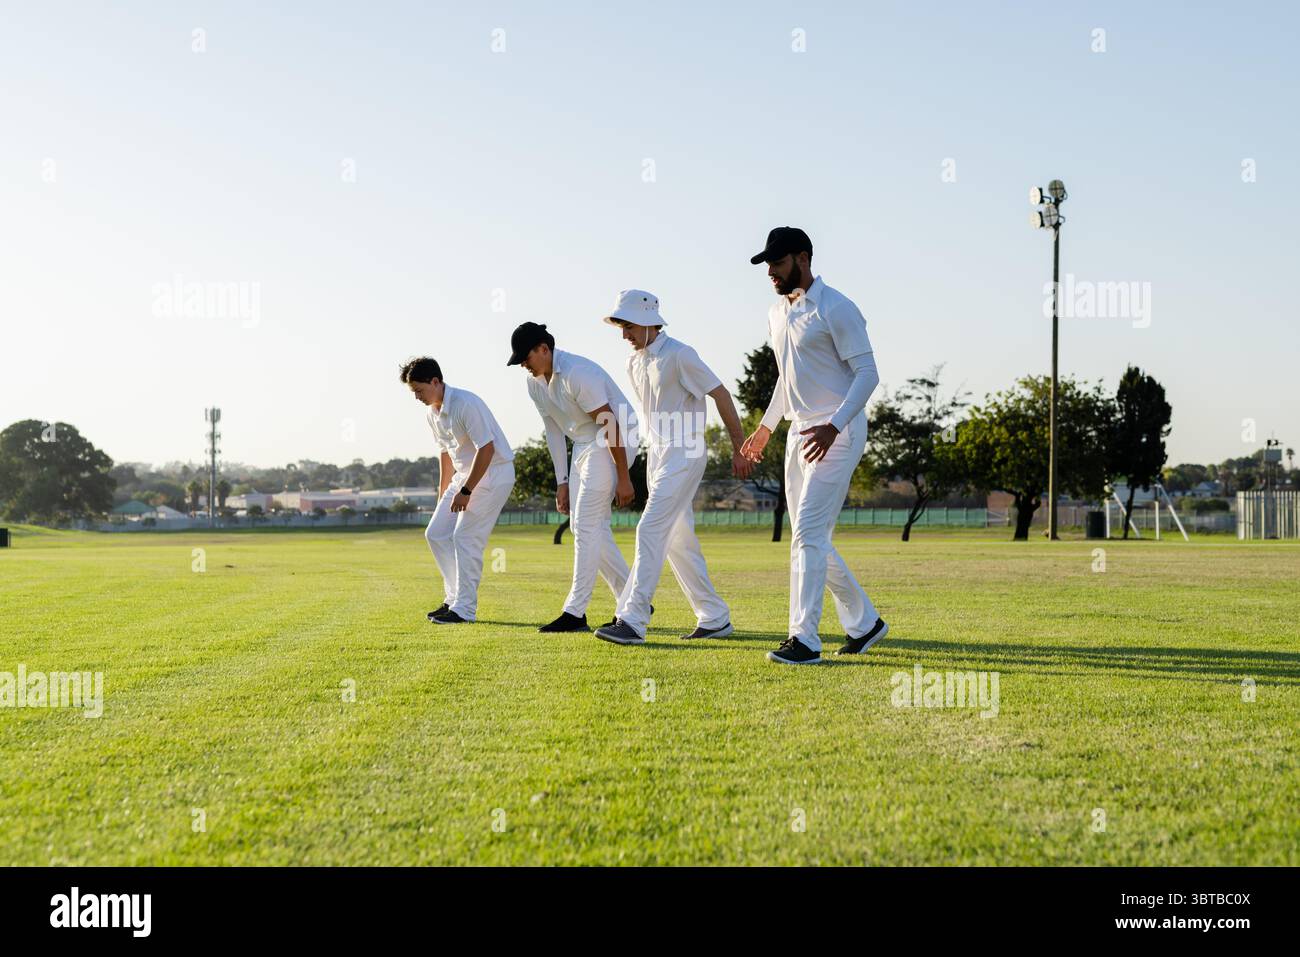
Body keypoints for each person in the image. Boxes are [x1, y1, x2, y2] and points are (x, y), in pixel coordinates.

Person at [740, 227, 889, 664]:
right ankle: (865, 623)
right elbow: (788, 379)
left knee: (806, 533)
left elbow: (868, 375)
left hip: (837, 432)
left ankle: (803, 640)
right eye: (767, 264)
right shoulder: (776, 314)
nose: (770, 271)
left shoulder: (836, 307)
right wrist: (766, 427)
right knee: (811, 537)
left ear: (803, 259)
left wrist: (835, 426)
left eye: (778, 263)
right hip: (800, 431)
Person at [593, 290, 751, 645]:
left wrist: (739, 446)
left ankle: (631, 619)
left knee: (649, 530)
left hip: (686, 453)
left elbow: (721, 394)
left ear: (650, 323)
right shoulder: (634, 361)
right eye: (621, 326)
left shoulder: (681, 354)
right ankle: (714, 616)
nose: (624, 334)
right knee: (679, 540)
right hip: (658, 454)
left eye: (629, 326)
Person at [507, 322, 638, 632]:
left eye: (525, 357)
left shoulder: (579, 373)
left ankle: (575, 613)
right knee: (586, 525)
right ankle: (634, 601)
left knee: (587, 526)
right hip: (583, 443)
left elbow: (610, 424)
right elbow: (553, 431)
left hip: (616, 436)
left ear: (544, 349)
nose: (523, 365)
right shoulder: (535, 383)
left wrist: (623, 476)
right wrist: (561, 481)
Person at [400, 356, 515, 625]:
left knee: (465, 537)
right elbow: (446, 455)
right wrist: (445, 493)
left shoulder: (465, 403)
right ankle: (452, 599)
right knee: (436, 533)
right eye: (413, 392)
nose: (417, 397)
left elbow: (486, 449)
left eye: (419, 390)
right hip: (463, 476)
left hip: (493, 473)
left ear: (436, 381)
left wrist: (466, 490)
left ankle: (464, 609)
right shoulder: (432, 414)